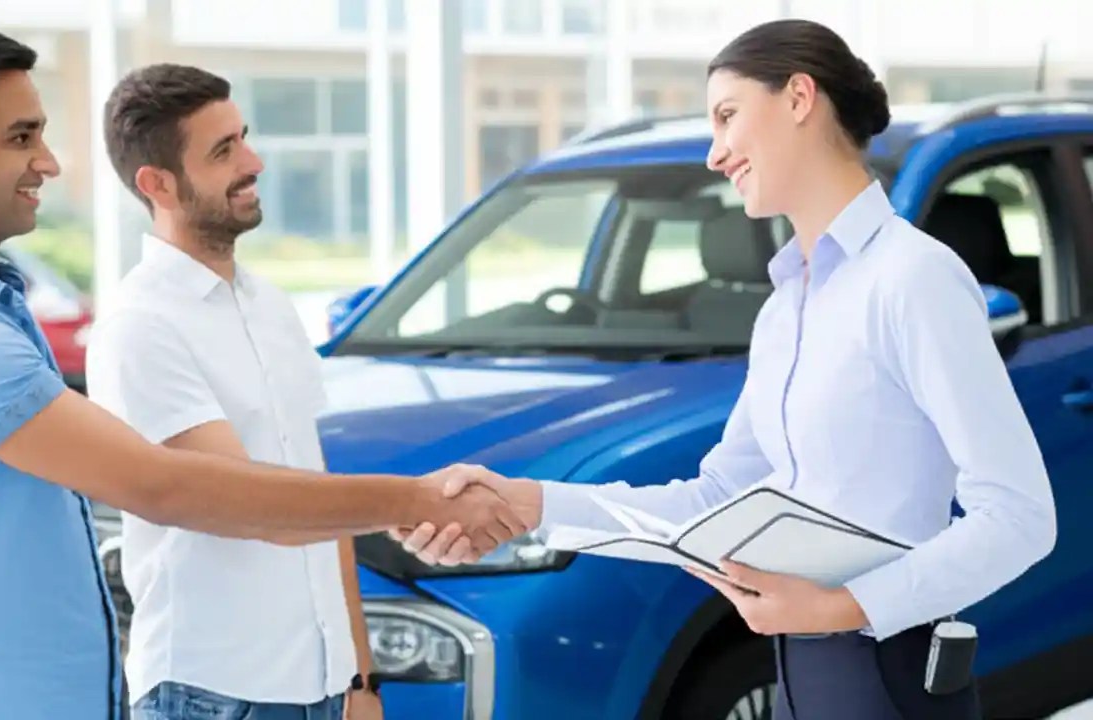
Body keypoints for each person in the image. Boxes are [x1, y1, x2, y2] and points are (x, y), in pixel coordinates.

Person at [0, 23, 520, 720]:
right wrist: (416, 500)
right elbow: (162, 485)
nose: (48, 163)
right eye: (20, 138)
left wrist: (359, 676)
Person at [394, 19, 1057, 720]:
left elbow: (1019, 516)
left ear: (799, 97)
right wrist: (528, 502)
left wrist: (841, 606)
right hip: (804, 665)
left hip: (890, 671)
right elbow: (714, 500)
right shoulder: (788, 306)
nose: (716, 154)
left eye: (727, 116)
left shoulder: (912, 277)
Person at [85, 63, 382, 720]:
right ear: (157, 183)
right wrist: (417, 502)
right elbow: (254, 507)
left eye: (243, 137)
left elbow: (315, 488)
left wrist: (359, 679)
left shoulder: (269, 305)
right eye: (223, 151)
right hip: (214, 696)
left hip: (322, 688)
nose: (254, 161)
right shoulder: (141, 328)